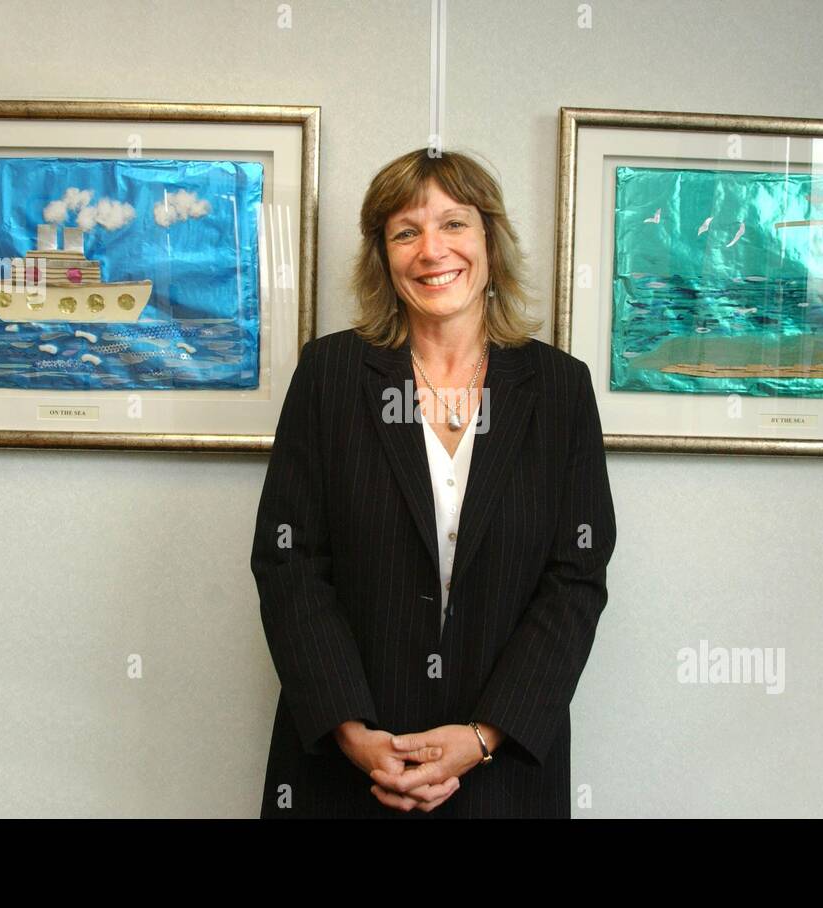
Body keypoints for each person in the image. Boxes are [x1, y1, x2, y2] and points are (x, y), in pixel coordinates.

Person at [250, 147, 616, 817]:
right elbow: (288, 560)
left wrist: (483, 737)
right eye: (405, 231)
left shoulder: (561, 389)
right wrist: (352, 731)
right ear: (383, 257)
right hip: (347, 768)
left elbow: (576, 577)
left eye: (454, 224)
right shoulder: (329, 375)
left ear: (489, 241)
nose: (431, 249)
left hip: (502, 769)